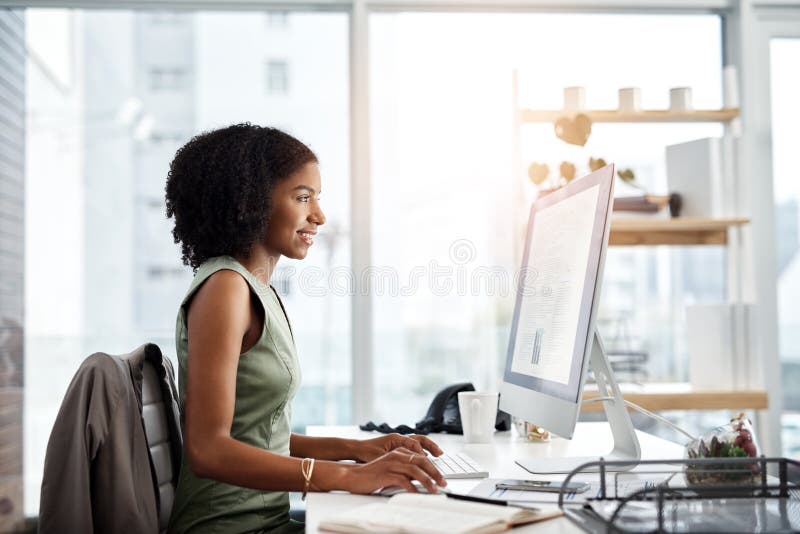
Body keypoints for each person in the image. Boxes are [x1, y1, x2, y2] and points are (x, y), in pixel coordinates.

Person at [164, 124, 446, 534]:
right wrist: (348, 476)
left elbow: (258, 436)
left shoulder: (255, 290)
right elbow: (209, 449)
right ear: (251, 202)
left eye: (317, 198)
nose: (319, 215)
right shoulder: (225, 288)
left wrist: (358, 451)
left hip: (265, 521)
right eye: (302, 197)